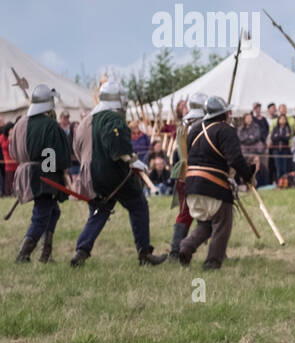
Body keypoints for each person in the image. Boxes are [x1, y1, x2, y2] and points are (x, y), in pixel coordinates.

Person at [70, 79, 169, 266]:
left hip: (90, 176)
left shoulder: (86, 121)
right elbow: (117, 147)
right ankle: (144, 254)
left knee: (100, 210)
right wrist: (134, 161)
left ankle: (81, 250)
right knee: (138, 206)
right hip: (114, 174)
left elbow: (77, 148)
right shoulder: (113, 118)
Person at [176, 96, 257, 269]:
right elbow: (235, 159)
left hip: (191, 186)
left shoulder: (195, 130)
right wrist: (248, 175)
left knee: (205, 224)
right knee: (222, 224)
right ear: (223, 113)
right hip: (214, 186)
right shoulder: (225, 130)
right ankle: (212, 262)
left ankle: (186, 246)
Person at [12, 85, 73, 263]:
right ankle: (24, 254)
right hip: (44, 175)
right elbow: (53, 154)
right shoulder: (50, 126)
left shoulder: (21, 124)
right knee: (42, 213)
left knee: (53, 212)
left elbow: (14, 151)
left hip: (28, 172)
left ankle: (46, 254)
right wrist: (55, 173)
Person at [168, 97, 207, 259]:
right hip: (196, 173)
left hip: (184, 175)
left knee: (188, 213)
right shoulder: (201, 125)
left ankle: (176, 252)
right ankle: (176, 251)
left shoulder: (184, 123)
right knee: (209, 213)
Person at [268, 113, 293, 183]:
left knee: (284, 167)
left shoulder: (287, 128)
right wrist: (282, 136)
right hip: (276, 150)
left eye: (283, 119)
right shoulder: (275, 128)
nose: (282, 120)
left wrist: (278, 136)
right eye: (281, 119)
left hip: (285, 150)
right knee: (278, 167)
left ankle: (285, 182)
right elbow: (273, 138)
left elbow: (287, 138)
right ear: (278, 120)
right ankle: (279, 182)